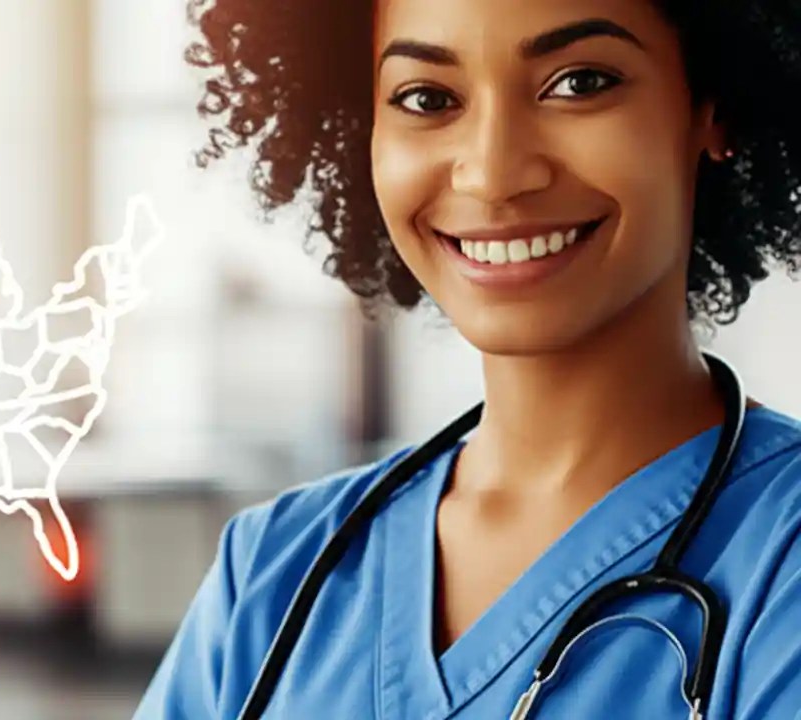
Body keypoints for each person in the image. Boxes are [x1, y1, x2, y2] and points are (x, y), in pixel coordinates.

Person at [134, 0, 801, 717]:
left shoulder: (780, 556)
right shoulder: (272, 574)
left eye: (580, 83)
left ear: (713, 106)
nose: (492, 172)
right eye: (427, 98)